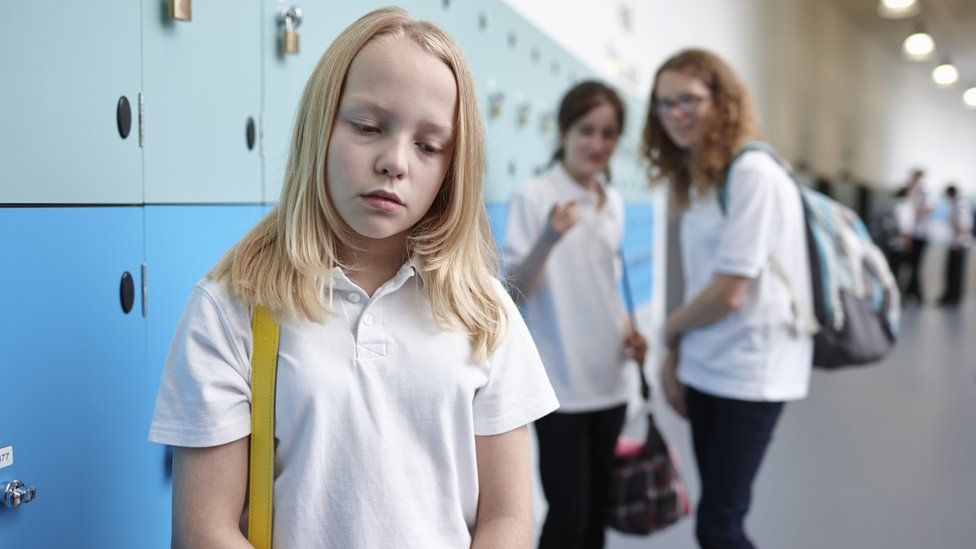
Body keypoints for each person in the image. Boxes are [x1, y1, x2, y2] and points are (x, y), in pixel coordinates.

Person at [148, 8, 559, 548]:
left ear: (452, 168)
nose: (394, 161)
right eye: (367, 127)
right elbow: (206, 531)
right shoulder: (233, 306)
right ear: (322, 123)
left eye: (429, 146)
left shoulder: (483, 312)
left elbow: (507, 518)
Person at [641, 49, 813, 549]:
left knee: (719, 522)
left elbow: (730, 292)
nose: (675, 114)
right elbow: (702, 286)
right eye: (664, 104)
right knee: (718, 514)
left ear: (722, 101)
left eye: (689, 100)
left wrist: (668, 332)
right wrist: (677, 357)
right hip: (709, 365)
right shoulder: (702, 180)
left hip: (751, 372)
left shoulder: (752, 175)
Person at [502, 80, 648, 549]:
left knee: (597, 518)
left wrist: (630, 331)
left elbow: (608, 282)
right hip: (560, 384)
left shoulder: (613, 200)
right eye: (587, 130)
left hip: (611, 378)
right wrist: (549, 236)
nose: (598, 144)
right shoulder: (536, 195)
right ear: (563, 131)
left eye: (608, 134)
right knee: (567, 516)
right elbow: (514, 292)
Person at [938, 185, 973, 306]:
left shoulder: (960, 204)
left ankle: (954, 297)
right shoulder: (955, 204)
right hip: (955, 243)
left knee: (956, 272)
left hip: (960, 244)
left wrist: (960, 242)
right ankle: (950, 295)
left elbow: (964, 226)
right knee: (951, 271)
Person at [903, 169, 931, 303]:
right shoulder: (911, 192)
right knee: (909, 265)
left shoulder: (925, 193)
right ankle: (911, 292)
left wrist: (914, 212)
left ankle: (917, 294)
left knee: (915, 265)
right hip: (912, 234)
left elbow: (925, 211)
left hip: (920, 235)